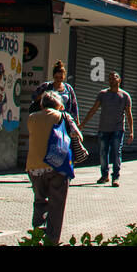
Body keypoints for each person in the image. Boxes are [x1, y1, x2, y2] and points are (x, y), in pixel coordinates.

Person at [26, 90, 80, 245]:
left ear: (42, 104)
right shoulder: (62, 116)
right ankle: (52, 241)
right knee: (56, 205)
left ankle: (36, 236)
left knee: (39, 201)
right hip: (57, 166)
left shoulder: (31, 118)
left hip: (34, 167)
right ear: (59, 104)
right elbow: (77, 136)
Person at [80, 71, 133, 187]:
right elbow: (93, 109)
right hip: (104, 129)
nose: (112, 80)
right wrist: (82, 124)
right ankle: (104, 175)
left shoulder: (125, 96)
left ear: (119, 80)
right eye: (110, 78)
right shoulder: (102, 94)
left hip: (118, 129)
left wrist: (131, 131)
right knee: (103, 153)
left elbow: (129, 114)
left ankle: (116, 177)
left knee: (116, 153)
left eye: (115, 78)